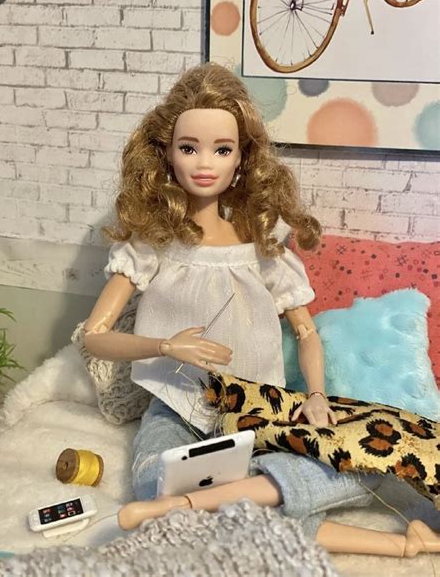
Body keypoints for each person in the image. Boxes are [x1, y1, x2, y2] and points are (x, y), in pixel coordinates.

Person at [84, 63, 439, 557]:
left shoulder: (263, 251)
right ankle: (399, 546)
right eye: (188, 148)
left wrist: (316, 395)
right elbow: (95, 336)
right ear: (165, 153)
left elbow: (307, 333)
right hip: (176, 407)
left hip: (258, 412)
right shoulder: (153, 244)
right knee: (156, 486)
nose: (204, 163)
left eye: (221, 149)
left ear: (242, 159)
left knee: (364, 465)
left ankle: (223, 501)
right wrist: (164, 345)